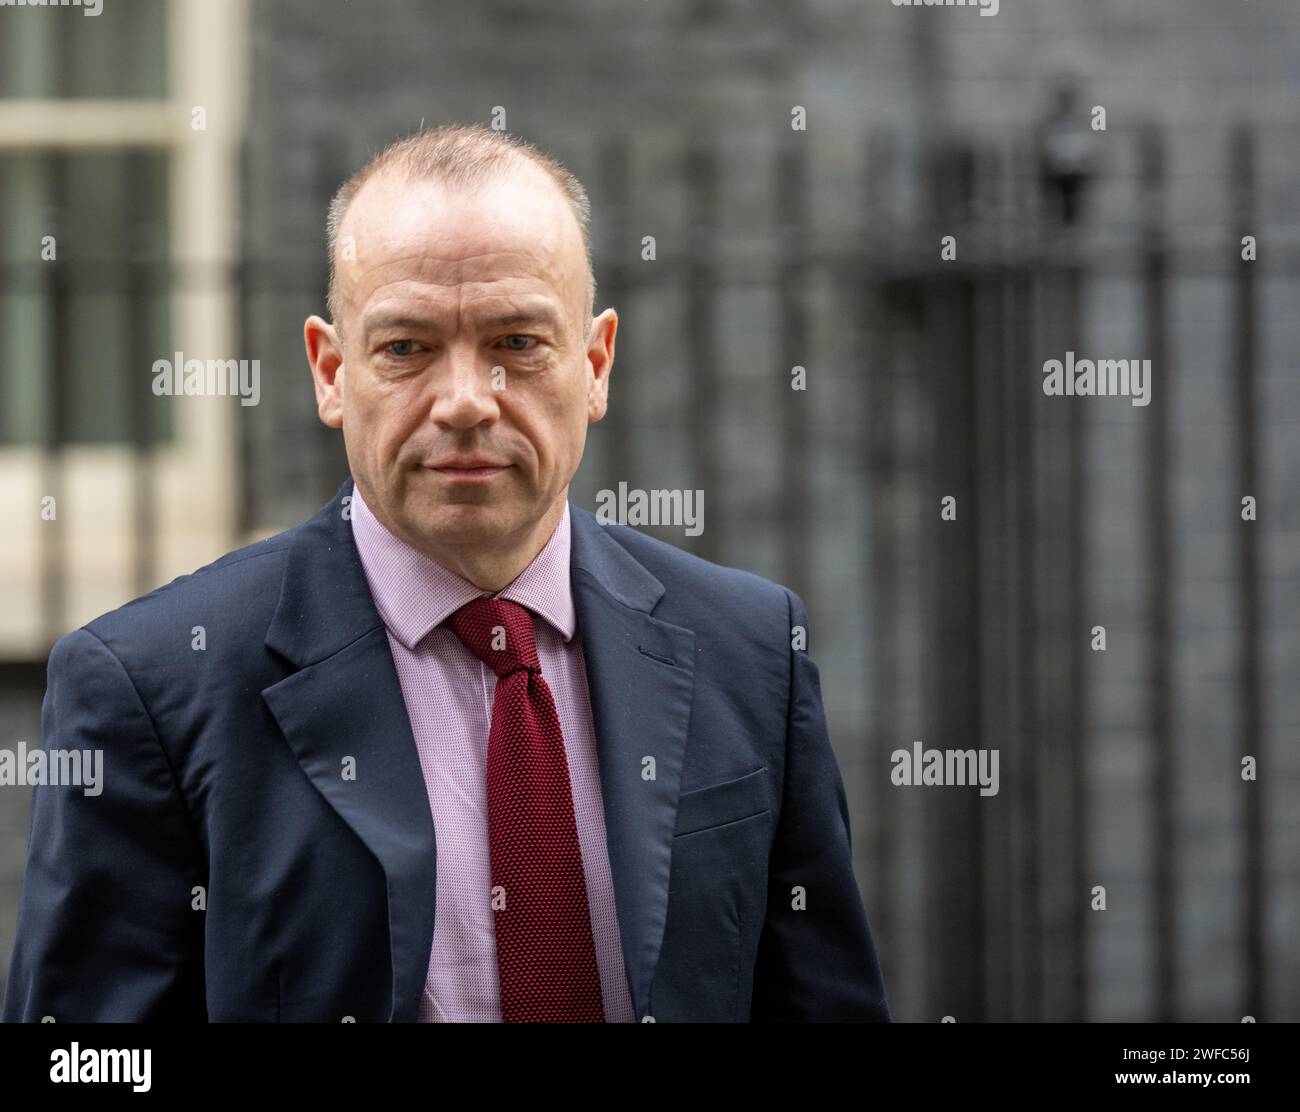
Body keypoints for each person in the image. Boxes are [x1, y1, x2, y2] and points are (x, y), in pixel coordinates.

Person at [2, 124, 890, 1022]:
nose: (466, 401)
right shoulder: (151, 687)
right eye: (406, 347)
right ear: (331, 372)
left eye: (517, 341)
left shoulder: (751, 651)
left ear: (595, 365)